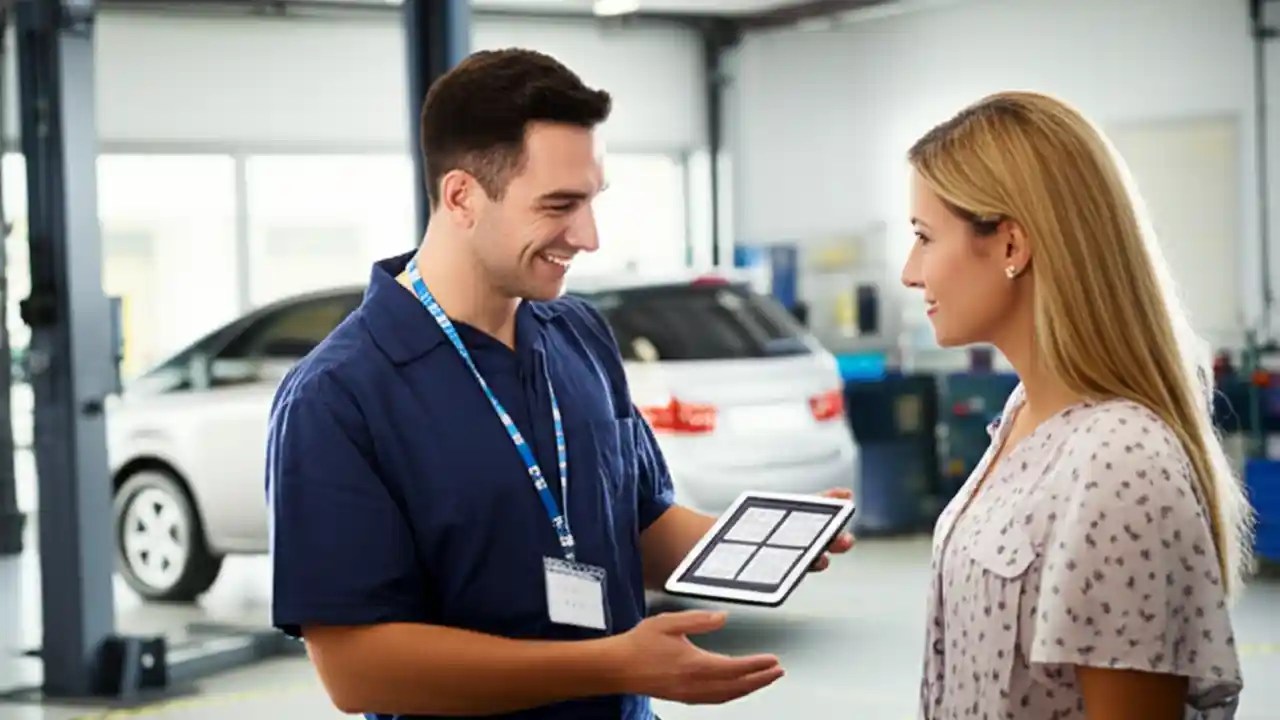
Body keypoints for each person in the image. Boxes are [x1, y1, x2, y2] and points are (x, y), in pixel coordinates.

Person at [264, 48, 853, 720]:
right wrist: (613, 665)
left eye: (592, 200)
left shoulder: (577, 332)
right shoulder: (336, 396)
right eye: (559, 205)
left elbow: (641, 521)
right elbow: (357, 669)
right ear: (461, 196)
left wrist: (762, 547)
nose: (589, 236)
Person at [900, 91, 1248, 720]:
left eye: (924, 238)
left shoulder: (1119, 459)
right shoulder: (1023, 415)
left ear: (1011, 246)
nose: (909, 272)